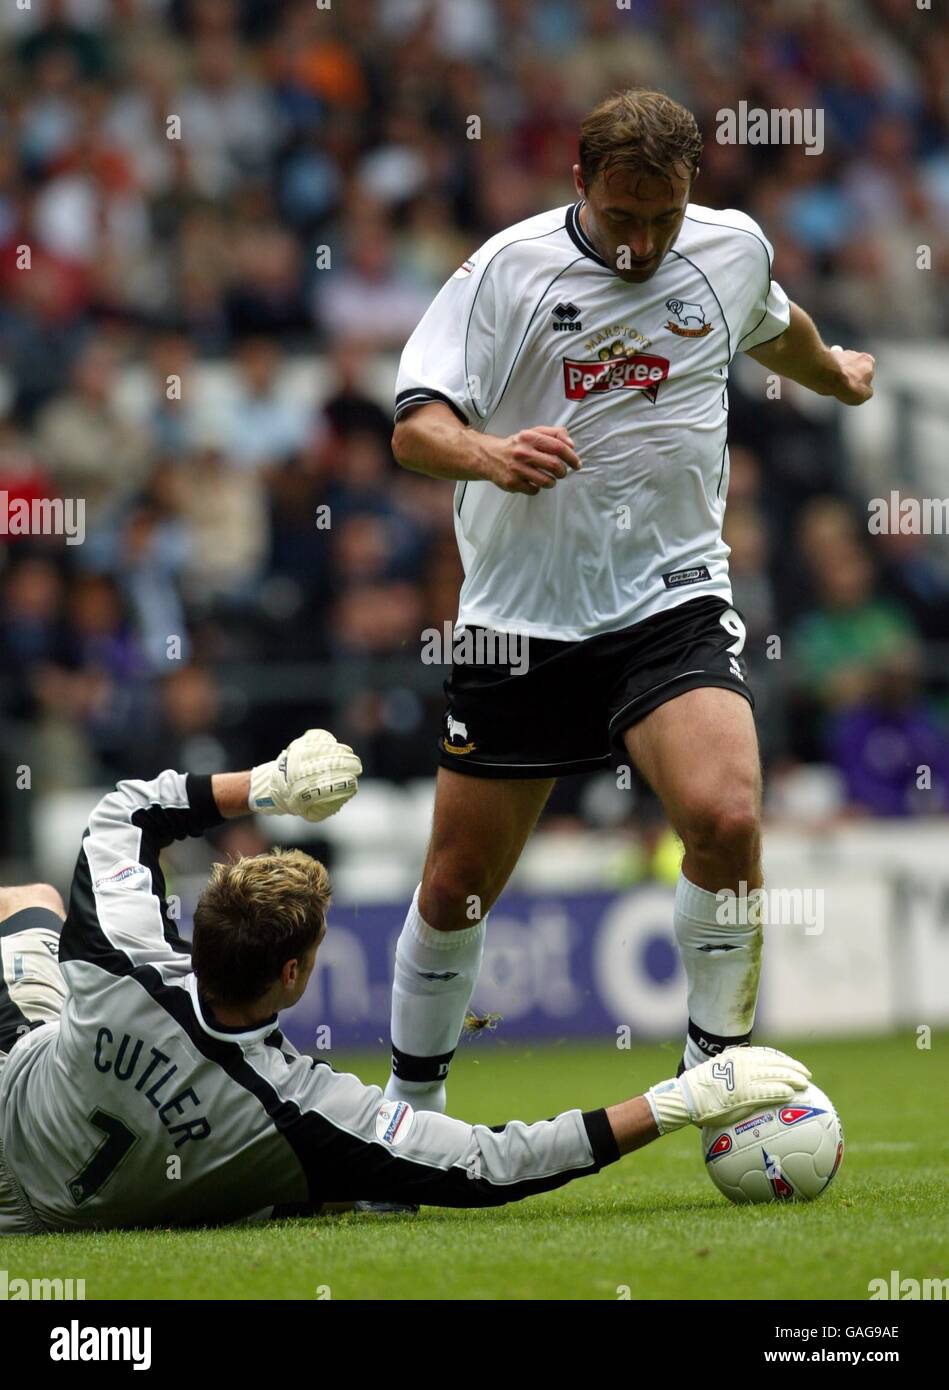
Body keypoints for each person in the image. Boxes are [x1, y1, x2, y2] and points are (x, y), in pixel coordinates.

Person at [385, 88, 875, 1128]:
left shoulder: (728, 249)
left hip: (670, 600)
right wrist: (488, 453)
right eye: (620, 218)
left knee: (729, 816)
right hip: (522, 620)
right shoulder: (504, 272)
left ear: (691, 187)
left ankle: (720, 1078)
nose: (640, 242)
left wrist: (833, 374)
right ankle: (407, 1111)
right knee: (456, 885)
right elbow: (415, 428)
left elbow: (774, 325)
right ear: (579, 185)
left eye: (660, 216)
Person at [0, 729, 810, 1232]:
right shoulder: (300, 1111)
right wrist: (677, 1102)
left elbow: (122, 816)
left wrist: (268, 784)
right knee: (328, 1183)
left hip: (13, 1120)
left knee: (28, 899)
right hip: (129, 1197)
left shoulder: (118, 962)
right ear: (292, 974)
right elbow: (495, 1165)